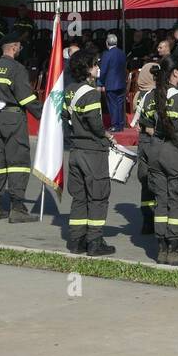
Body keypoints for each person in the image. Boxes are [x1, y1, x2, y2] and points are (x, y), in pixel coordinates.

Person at [136, 55, 178, 265]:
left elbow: (145, 126)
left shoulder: (152, 96)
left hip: (156, 150)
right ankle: (174, 250)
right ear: (174, 73)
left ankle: (162, 250)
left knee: (161, 200)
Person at [0, 33, 43, 223]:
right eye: (19, 46)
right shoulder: (17, 69)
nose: (21, 49)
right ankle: (17, 208)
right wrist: (45, 116)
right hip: (14, 118)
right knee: (18, 162)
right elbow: (26, 98)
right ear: (13, 47)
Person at [65, 49, 115, 256]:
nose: (98, 68)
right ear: (87, 69)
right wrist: (107, 135)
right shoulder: (91, 93)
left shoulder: (69, 90)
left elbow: (64, 116)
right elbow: (95, 124)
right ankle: (95, 241)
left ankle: (76, 241)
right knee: (97, 196)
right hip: (92, 151)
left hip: (75, 149)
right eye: (95, 64)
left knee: (79, 197)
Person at [98, 33, 127, 132]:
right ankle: (121, 124)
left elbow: (103, 70)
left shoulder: (107, 54)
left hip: (111, 83)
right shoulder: (122, 53)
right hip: (121, 82)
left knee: (113, 105)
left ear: (107, 43)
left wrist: (100, 83)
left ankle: (115, 125)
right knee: (119, 104)